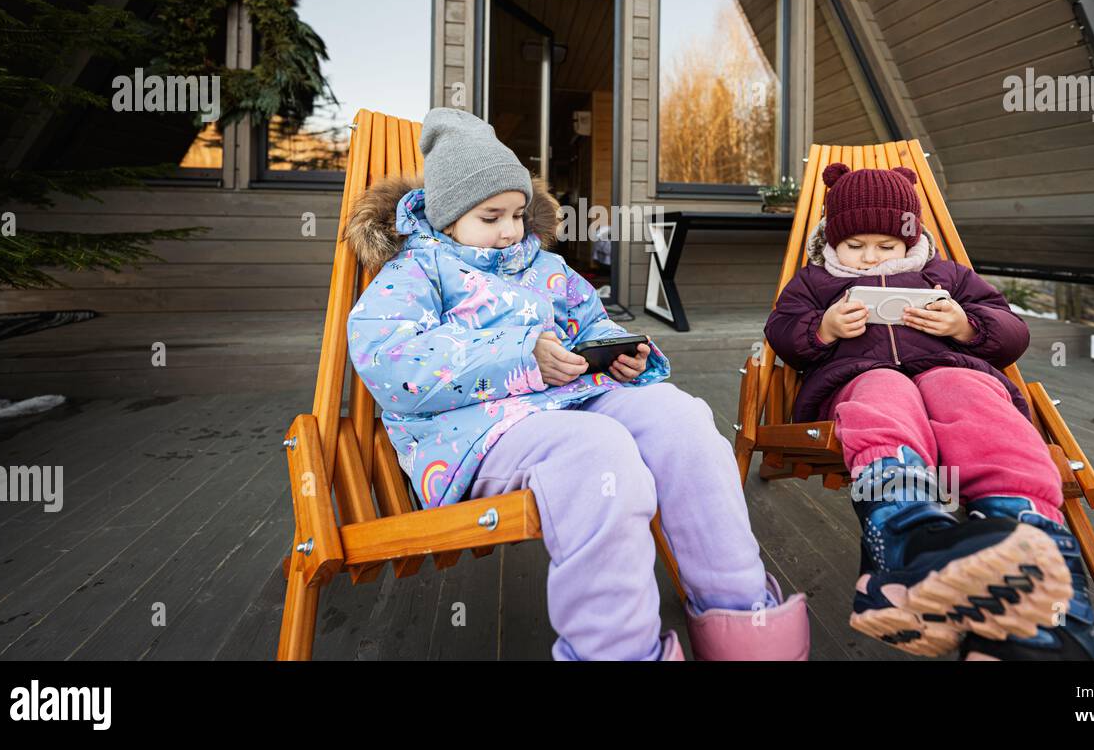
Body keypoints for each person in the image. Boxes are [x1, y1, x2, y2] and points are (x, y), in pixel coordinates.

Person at [345, 107, 810, 661]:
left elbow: (590, 321)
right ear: (447, 218)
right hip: (473, 434)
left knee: (681, 419)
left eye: (518, 213)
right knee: (599, 454)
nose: (511, 230)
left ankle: (746, 623)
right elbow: (389, 359)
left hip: (572, 400)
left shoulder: (542, 266)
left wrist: (618, 353)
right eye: (492, 216)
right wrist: (520, 358)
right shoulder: (418, 273)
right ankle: (618, 650)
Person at [763, 162, 1094, 661]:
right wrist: (821, 330)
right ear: (831, 241)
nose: (870, 257)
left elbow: (1011, 330)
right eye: (855, 246)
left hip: (949, 367)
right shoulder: (814, 283)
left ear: (910, 240)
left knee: (973, 397)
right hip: (860, 377)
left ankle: (1032, 550)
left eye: (886, 247)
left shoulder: (946, 275)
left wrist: (964, 324)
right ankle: (906, 537)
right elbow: (781, 332)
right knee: (884, 394)